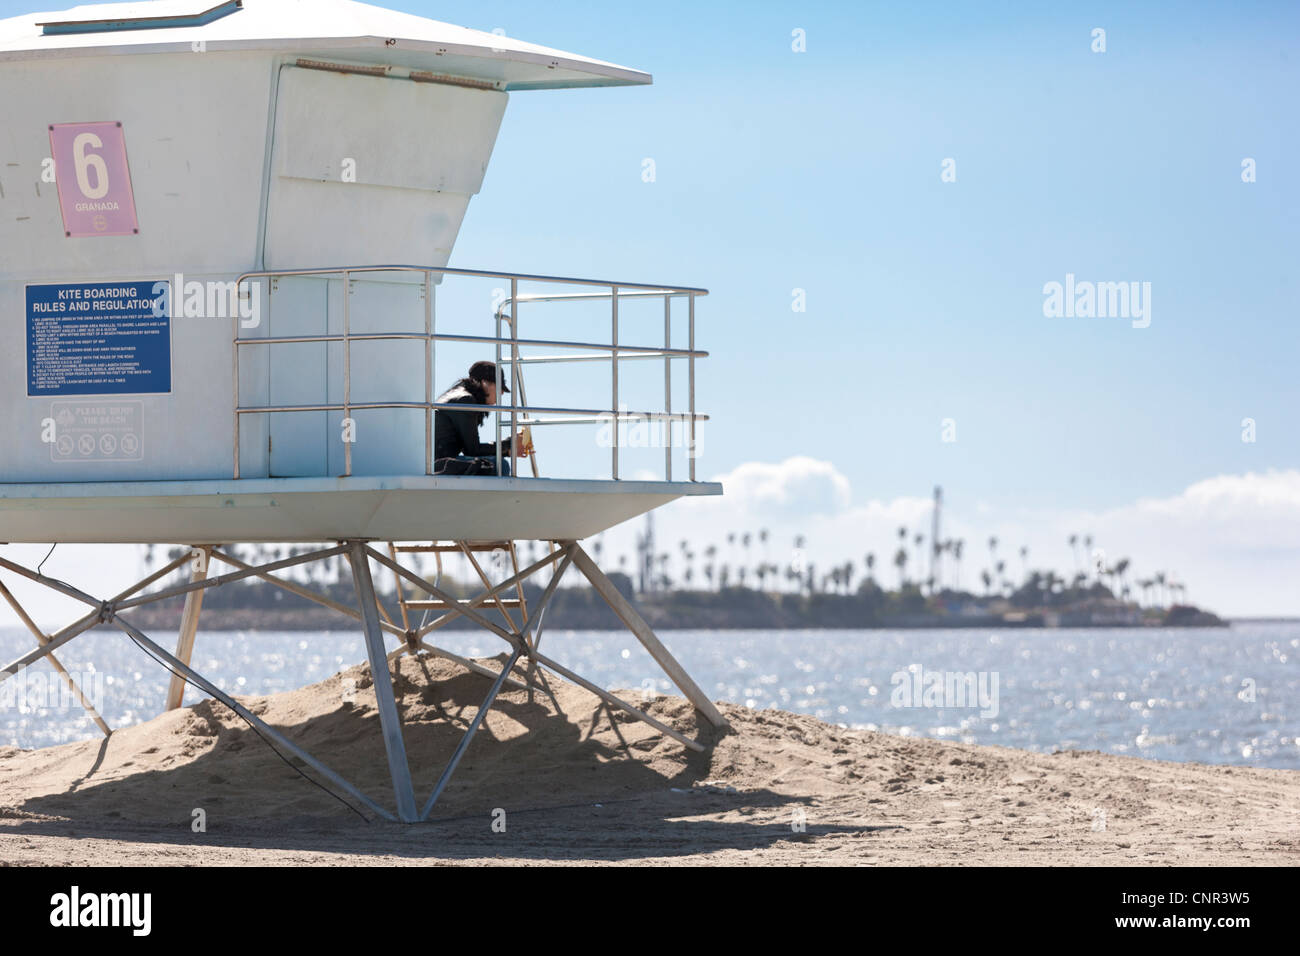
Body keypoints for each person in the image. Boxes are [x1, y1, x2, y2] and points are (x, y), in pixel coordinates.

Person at [433, 361, 530, 476]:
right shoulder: (466, 400)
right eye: (499, 387)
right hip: (436, 464)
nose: (502, 392)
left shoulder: (460, 395)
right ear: (485, 383)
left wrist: (507, 451)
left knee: (495, 463)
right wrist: (509, 443)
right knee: (501, 466)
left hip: (435, 461)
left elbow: (470, 449)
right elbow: (473, 450)